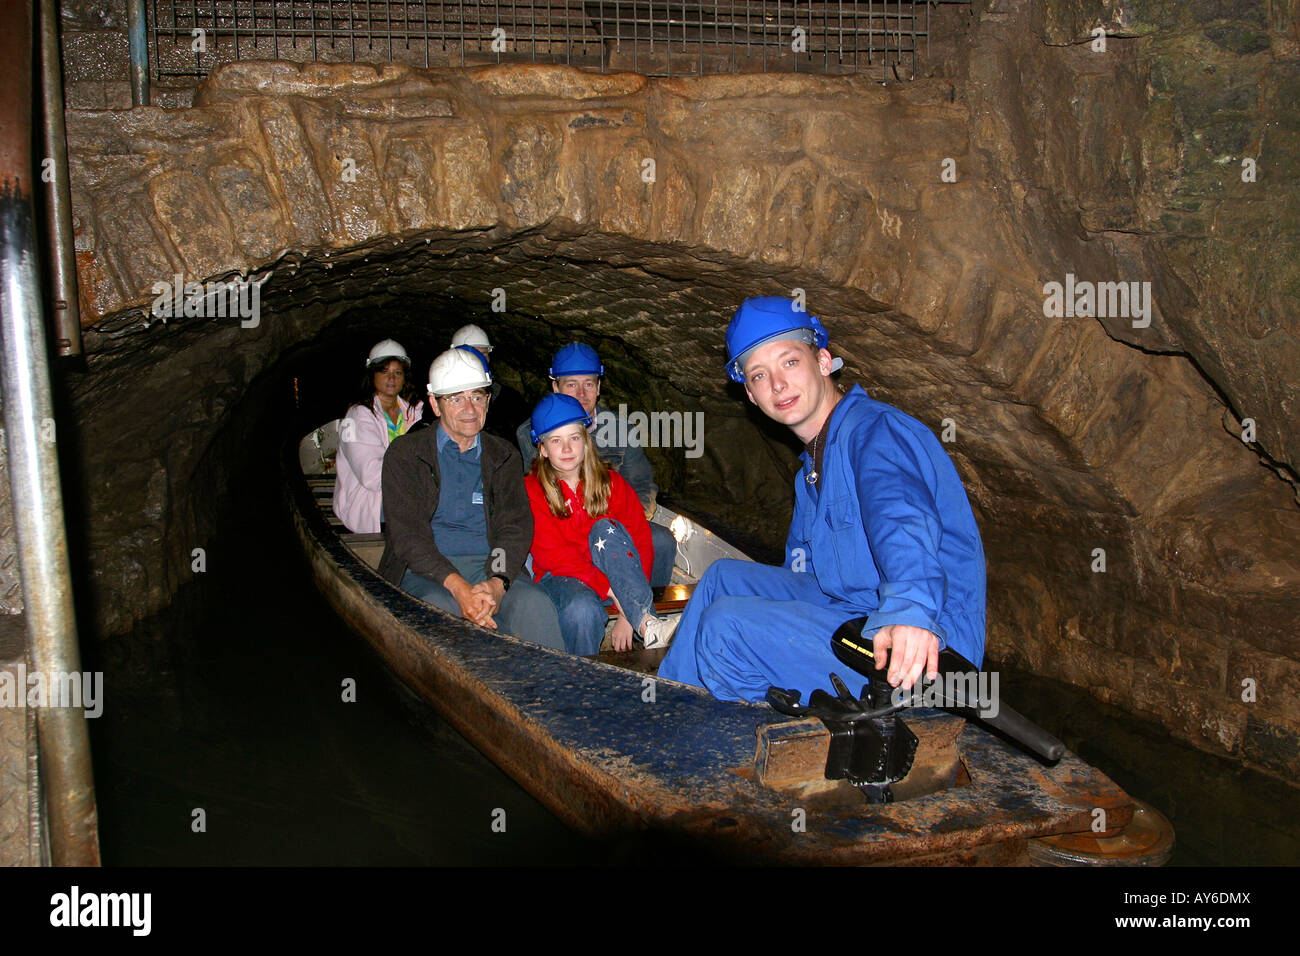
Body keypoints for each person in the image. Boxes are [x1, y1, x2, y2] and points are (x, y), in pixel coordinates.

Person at [658, 296, 987, 703]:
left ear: (824, 361)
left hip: (921, 649)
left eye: (790, 362)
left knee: (727, 627)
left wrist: (911, 612)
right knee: (723, 579)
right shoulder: (811, 471)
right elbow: (803, 576)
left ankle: (761, 737)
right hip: (849, 612)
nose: (777, 384)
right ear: (749, 395)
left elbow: (901, 518)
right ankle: (671, 704)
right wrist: (774, 625)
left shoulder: (874, 432)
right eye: (759, 375)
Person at [377, 348, 564, 650]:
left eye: (477, 397)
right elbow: (407, 535)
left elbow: (514, 527)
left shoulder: (503, 455)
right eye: (456, 398)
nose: (470, 408)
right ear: (435, 405)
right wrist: (458, 587)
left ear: (488, 401)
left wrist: (498, 583)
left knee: (535, 606)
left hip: (489, 566)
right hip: (426, 571)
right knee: (441, 612)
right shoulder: (405, 454)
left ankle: (555, 692)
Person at [524, 394, 679, 655]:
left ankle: (647, 626)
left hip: (616, 575)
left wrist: (626, 616)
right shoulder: (531, 490)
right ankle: (583, 678)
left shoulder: (612, 482)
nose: (566, 449)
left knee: (606, 528)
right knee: (582, 610)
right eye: (555, 440)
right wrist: (617, 595)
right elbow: (552, 555)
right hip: (564, 577)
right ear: (542, 448)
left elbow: (641, 540)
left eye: (574, 437)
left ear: (586, 441)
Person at [516, 343, 677, 589]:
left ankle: (646, 610)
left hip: (615, 517)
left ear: (599, 387)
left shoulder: (621, 430)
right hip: (563, 523)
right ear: (555, 387)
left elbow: (642, 484)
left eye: (589, 384)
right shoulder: (535, 432)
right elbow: (545, 492)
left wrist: (619, 529)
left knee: (661, 541)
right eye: (571, 385)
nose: (581, 394)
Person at [333, 339, 424, 534]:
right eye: (384, 372)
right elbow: (372, 476)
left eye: (397, 373)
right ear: (372, 375)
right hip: (371, 503)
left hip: (411, 492)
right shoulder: (358, 415)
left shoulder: (416, 411)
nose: (391, 379)